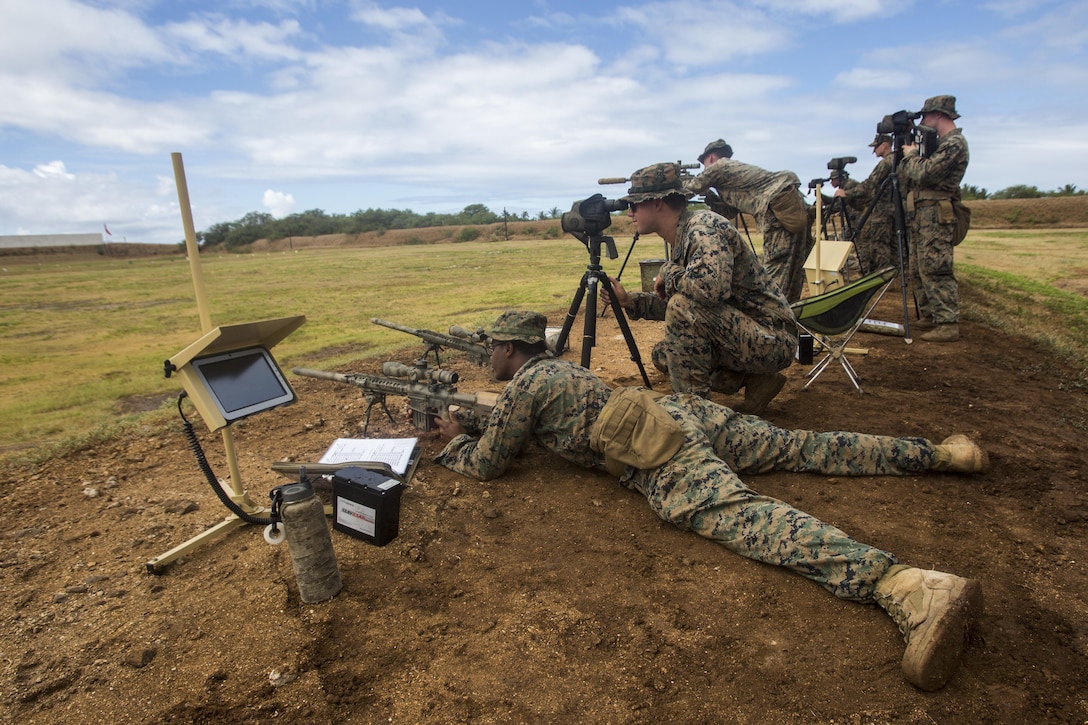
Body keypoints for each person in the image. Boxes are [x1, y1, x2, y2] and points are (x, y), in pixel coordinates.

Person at [434, 310, 988, 692]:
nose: (488, 358)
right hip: (681, 411)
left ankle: (908, 586)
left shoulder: (524, 387)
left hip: (658, 451)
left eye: (491, 350)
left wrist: (453, 439)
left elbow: (488, 464)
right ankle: (942, 454)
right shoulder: (559, 369)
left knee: (743, 516)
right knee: (803, 447)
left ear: (509, 349)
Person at [599, 162, 796, 415]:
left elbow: (709, 292)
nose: (629, 213)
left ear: (657, 202)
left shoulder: (703, 228)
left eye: (634, 205)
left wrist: (668, 271)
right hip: (746, 332)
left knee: (682, 312)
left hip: (773, 337)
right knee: (666, 353)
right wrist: (628, 301)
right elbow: (693, 303)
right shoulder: (683, 236)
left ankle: (696, 414)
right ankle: (758, 381)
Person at [684, 141, 814, 302]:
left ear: (710, 158)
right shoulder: (733, 177)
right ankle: (790, 310)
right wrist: (710, 195)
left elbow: (690, 189)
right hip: (791, 206)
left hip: (778, 210)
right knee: (794, 265)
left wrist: (674, 185)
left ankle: (774, 312)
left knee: (778, 265)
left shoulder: (720, 166)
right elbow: (729, 211)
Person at [898, 95, 970, 342]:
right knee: (918, 267)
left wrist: (911, 155)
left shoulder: (955, 143)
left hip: (936, 213)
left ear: (938, 115)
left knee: (936, 267)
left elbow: (925, 174)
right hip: (923, 213)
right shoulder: (938, 144)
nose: (923, 121)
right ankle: (930, 315)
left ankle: (947, 321)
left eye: (925, 116)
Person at [837, 133, 900, 275]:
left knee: (879, 246)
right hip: (895, 210)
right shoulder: (899, 160)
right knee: (893, 245)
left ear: (885, 145)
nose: (874, 151)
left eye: (876, 147)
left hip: (883, 210)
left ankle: (882, 276)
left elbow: (869, 185)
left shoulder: (887, 162)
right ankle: (894, 275)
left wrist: (847, 194)